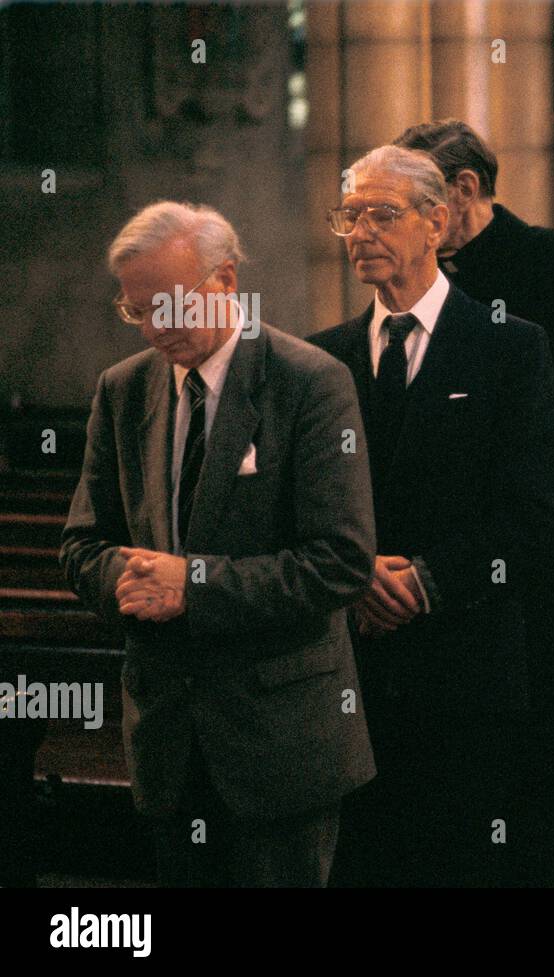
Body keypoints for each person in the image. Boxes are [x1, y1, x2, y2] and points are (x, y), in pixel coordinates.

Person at [61, 201, 377, 886]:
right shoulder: (123, 389)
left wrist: (193, 584)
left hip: (279, 740)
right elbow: (82, 543)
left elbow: (342, 561)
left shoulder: (310, 381)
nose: (155, 328)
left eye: (169, 305)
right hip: (168, 736)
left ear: (226, 279)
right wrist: (125, 577)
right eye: (137, 311)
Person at [310, 145, 554, 886]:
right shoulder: (322, 360)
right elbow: (304, 507)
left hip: (465, 666)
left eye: (382, 214)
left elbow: (536, 511)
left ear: (436, 221)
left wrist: (425, 581)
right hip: (351, 670)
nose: (362, 232)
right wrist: (356, 577)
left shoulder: (510, 345)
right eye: (349, 216)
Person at [393, 120, 554, 886]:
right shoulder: (420, 280)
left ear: (464, 188)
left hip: (543, 589)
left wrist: (527, 531)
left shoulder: (550, 264)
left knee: (547, 821)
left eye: (417, 198)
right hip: (446, 590)